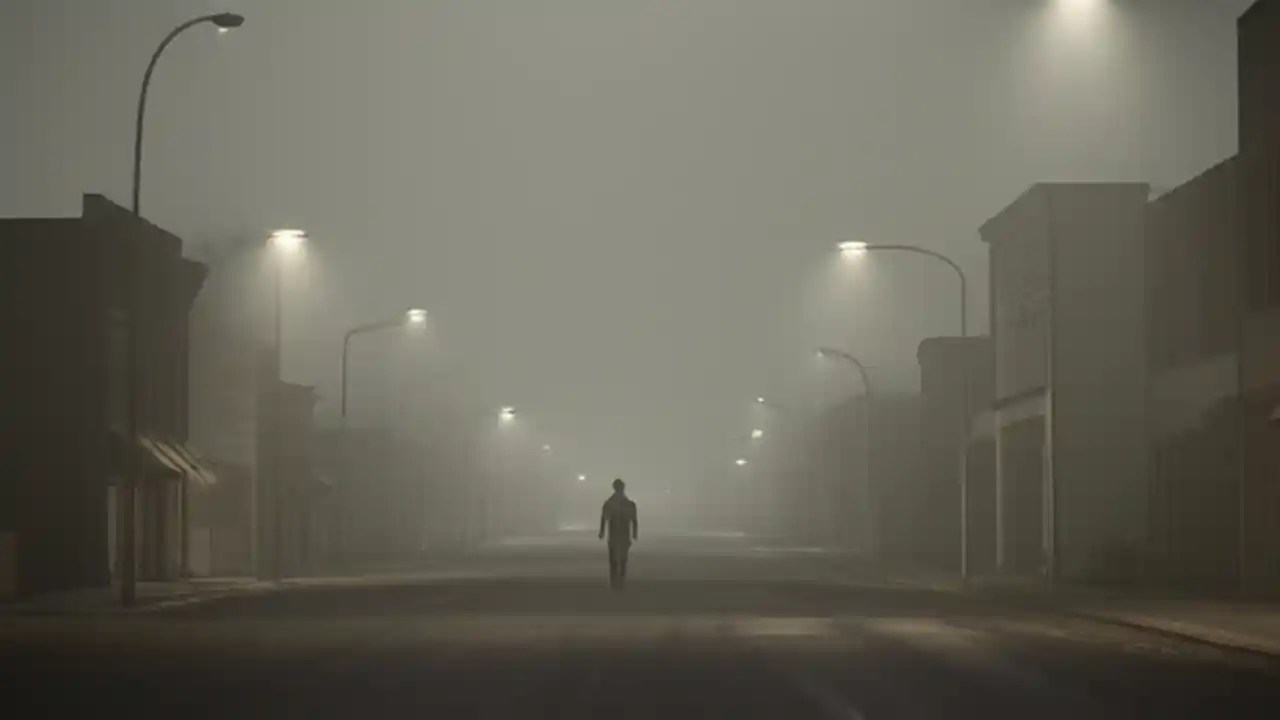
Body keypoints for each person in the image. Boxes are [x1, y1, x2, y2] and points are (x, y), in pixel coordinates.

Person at [599, 478, 638, 590]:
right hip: (622, 534)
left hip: (616, 534)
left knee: (615, 559)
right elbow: (634, 520)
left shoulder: (610, 503)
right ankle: (620, 579)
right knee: (622, 558)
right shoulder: (628, 504)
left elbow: (604, 518)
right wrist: (635, 533)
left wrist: (602, 531)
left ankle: (615, 580)